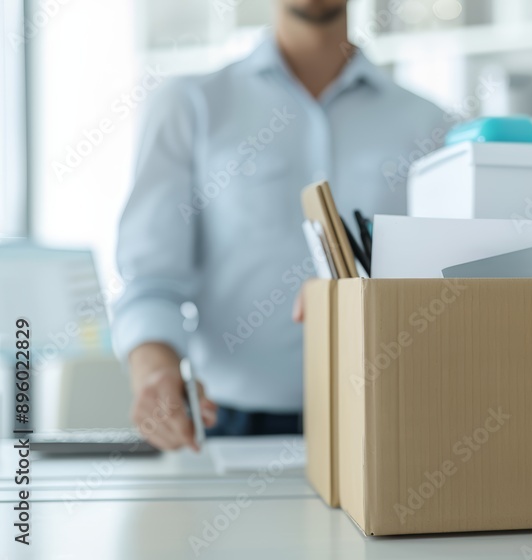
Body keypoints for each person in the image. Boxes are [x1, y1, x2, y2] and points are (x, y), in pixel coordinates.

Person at [113, 0, 446, 450]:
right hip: (228, 430)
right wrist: (155, 372)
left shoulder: (432, 125)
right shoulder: (189, 106)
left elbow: (448, 288)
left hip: (389, 424)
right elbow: (151, 281)